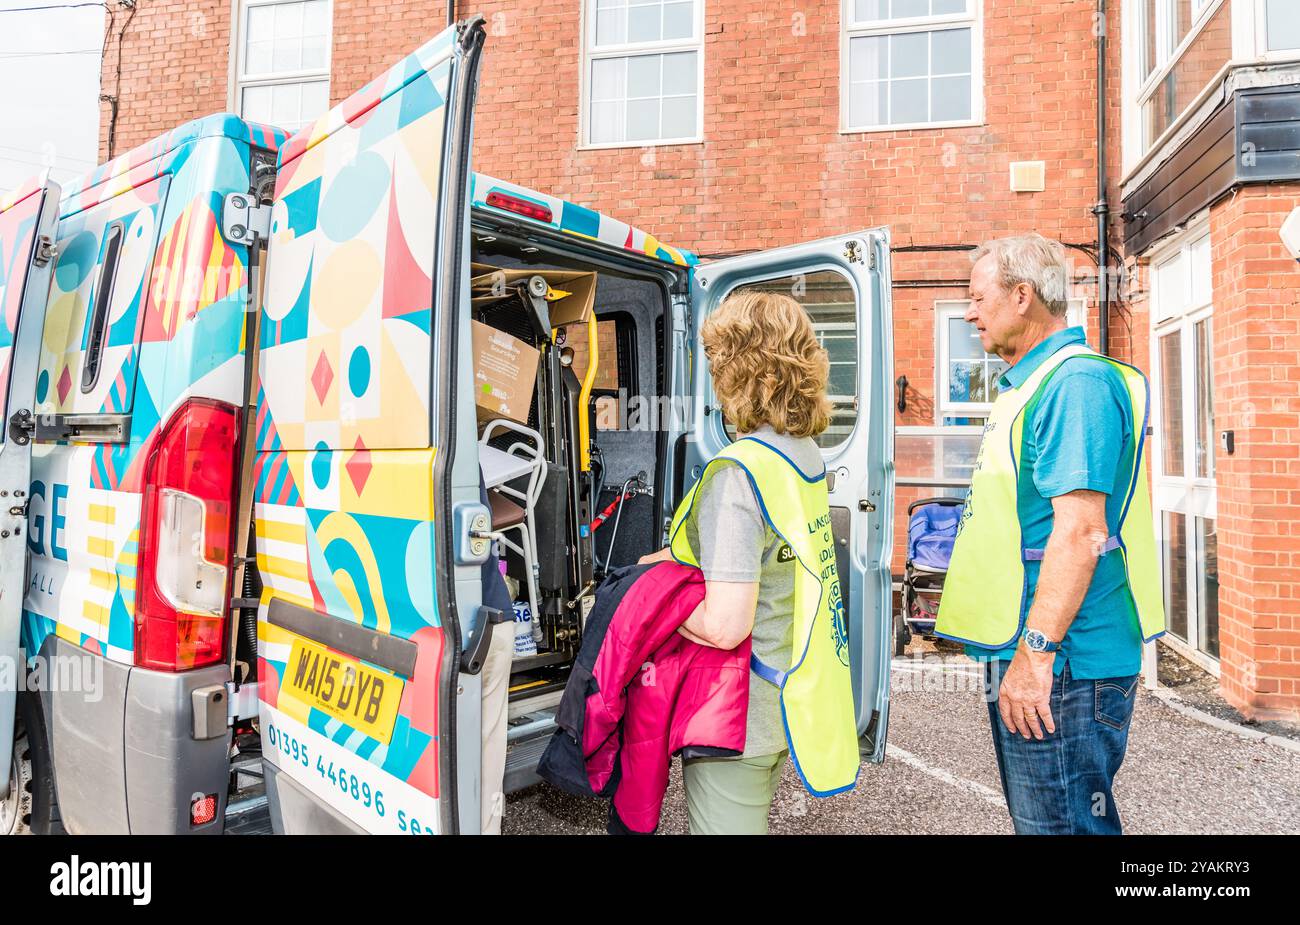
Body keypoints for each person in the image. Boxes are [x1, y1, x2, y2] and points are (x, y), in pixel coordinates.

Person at [935, 234, 1165, 835]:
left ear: (1021, 295)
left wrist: (1034, 658)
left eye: (978, 297)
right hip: (1044, 653)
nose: (968, 311)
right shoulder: (1035, 384)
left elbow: (1081, 533)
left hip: (1062, 663)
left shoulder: (1073, 387)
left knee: (1061, 829)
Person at [639, 289, 859, 834]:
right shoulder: (801, 453)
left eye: (718, 360)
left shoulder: (738, 472)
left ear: (743, 370)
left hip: (733, 714)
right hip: (781, 697)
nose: (713, 375)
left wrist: (656, 584)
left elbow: (724, 624)